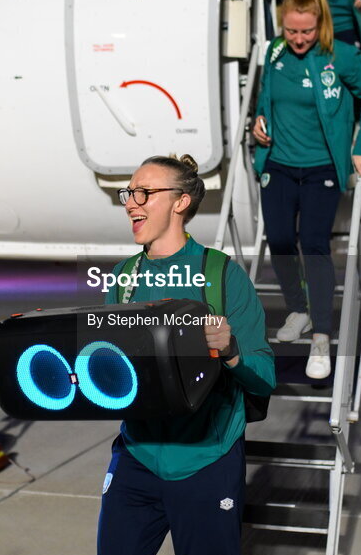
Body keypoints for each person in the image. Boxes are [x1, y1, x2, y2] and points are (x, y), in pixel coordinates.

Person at [97, 154, 275, 555]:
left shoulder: (222, 275)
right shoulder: (123, 279)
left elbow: (264, 374)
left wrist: (231, 353)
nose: (130, 202)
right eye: (129, 192)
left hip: (206, 461)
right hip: (137, 455)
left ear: (179, 202)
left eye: (144, 192)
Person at [252, 0, 361, 379]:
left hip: (322, 166)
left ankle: (322, 337)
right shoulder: (274, 53)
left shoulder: (339, 56)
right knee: (278, 240)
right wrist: (259, 125)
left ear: (320, 24)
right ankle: (298, 309)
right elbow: (265, 100)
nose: (298, 39)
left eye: (306, 31)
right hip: (279, 162)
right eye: (291, 30)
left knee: (313, 244)